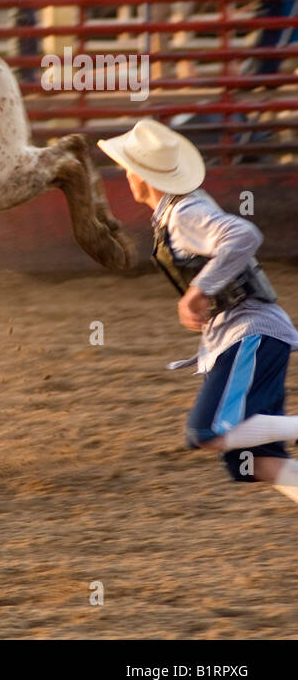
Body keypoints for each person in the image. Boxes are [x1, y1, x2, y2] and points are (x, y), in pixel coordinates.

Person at [98, 119, 298, 502]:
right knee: (255, 458)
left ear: (141, 176)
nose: (126, 176)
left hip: (250, 333)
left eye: (128, 169)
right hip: (246, 335)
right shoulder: (182, 208)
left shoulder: (183, 213)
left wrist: (196, 291)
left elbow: (244, 234)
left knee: (207, 432)